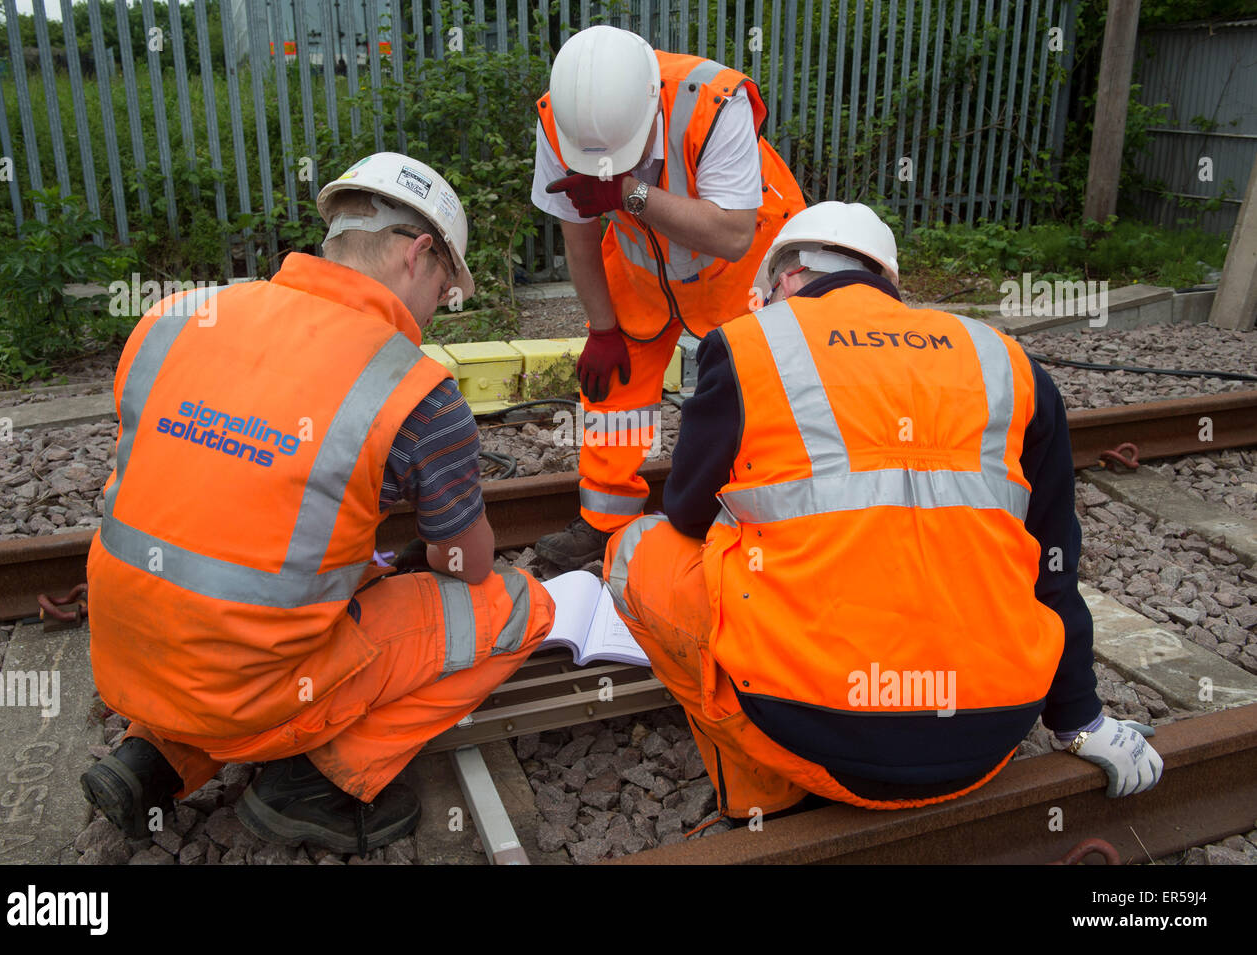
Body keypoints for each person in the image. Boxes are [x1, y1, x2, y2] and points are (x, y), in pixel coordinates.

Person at [602, 201, 1164, 816]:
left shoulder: (749, 345)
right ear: (890, 284)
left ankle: (762, 793)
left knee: (635, 548)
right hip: (990, 736)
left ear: (784, 280)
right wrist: (1080, 719)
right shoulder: (1005, 360)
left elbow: (685, 512)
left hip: (803, 734)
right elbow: (1055, 565)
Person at [80, 153, 555, 855]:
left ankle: (156, 755)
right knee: (518, 604)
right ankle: (316, 781)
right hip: (251, 692)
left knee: (317, 578)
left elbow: (196, 498)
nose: (437, 312)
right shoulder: (413, 388)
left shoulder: (177, 317)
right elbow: (467, 561)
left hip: (126, 658)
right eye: (446, 289)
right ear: (419, 255)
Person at [531, 25, 805, 571]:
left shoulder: (713, 101)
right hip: (642, 265)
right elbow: (579, 238)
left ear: (650, 103)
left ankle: (754, 515)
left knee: (757, 393)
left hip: (746, 262)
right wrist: (602, 328)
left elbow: (731, 233)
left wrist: (628, 194)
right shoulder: (559, 122)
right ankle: (606, 520)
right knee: (614, 383)